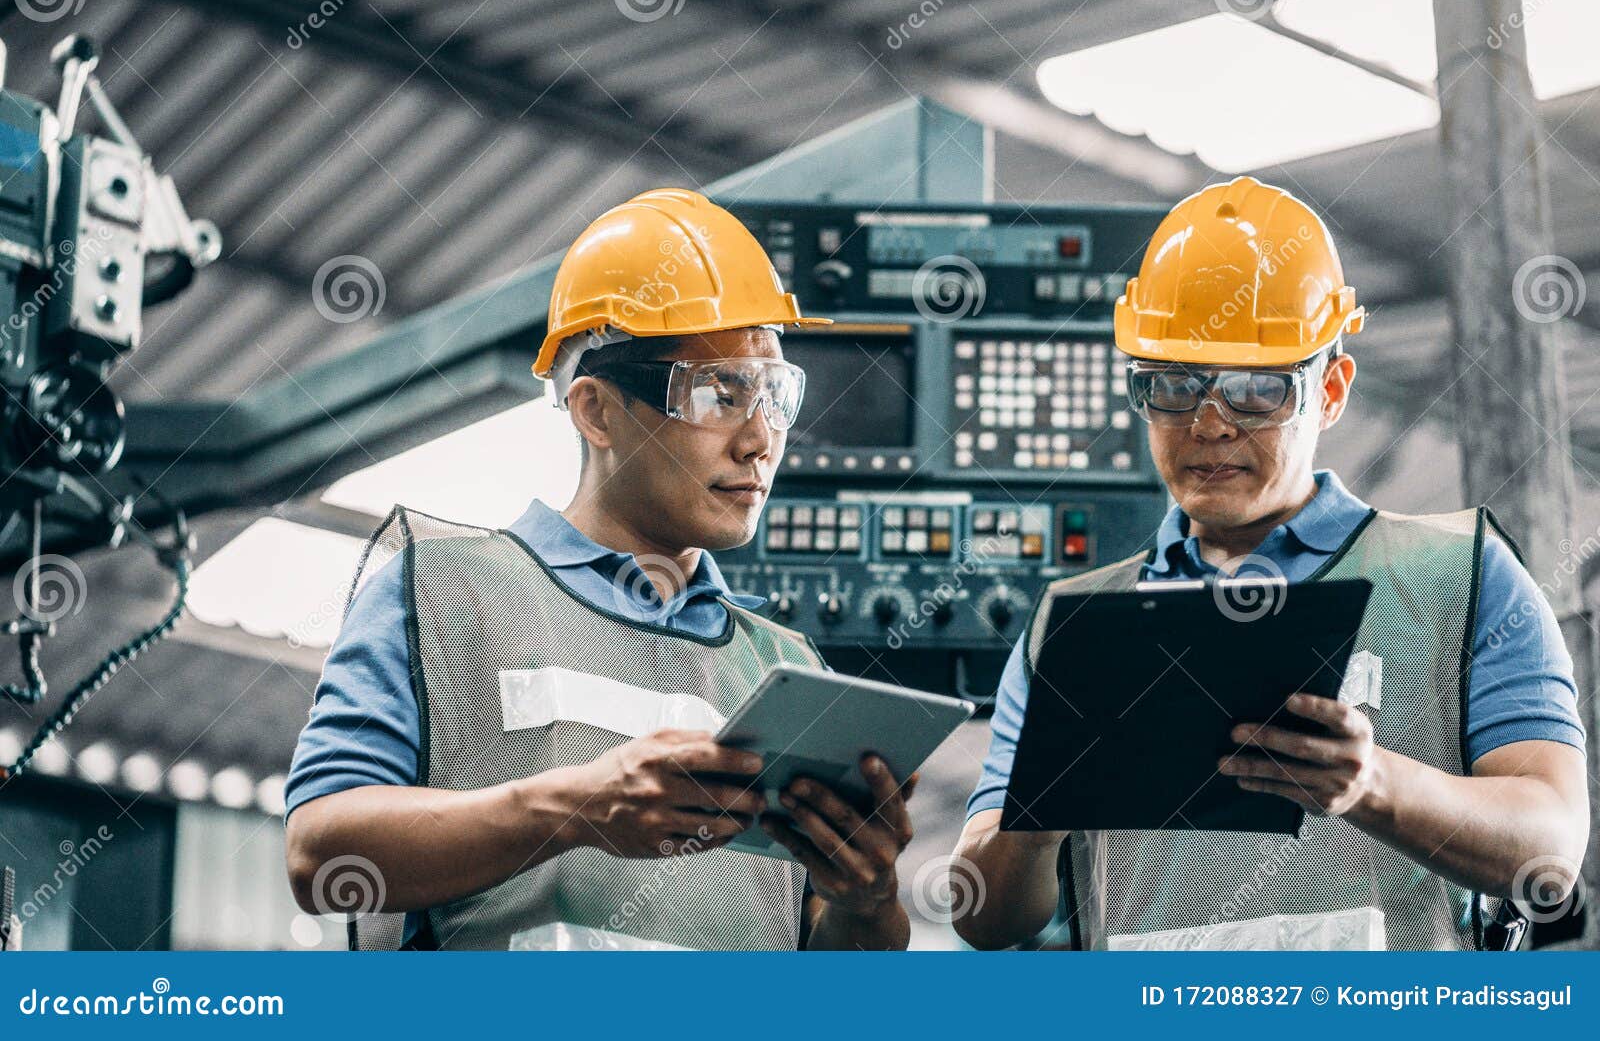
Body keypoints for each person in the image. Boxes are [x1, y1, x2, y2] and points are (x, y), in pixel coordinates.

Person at [951, 176, 1590, 951]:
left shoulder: (1461, 581)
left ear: (1332, 389)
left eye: (1258, 389)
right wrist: (1038, 814)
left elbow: (1552, 848)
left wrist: (1372, 783)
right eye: (1175, 385)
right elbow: (980, 912)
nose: (1210, 424)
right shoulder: (1078, 625)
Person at [285, 188, 918, 950]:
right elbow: (321, 854)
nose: (760, 441)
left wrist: (869, 898)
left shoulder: (786, 666)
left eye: (775, 394)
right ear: (595, 410)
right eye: (722, 392)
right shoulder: (441, 596)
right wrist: (576, 808)